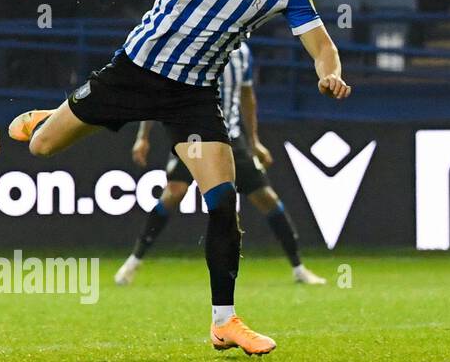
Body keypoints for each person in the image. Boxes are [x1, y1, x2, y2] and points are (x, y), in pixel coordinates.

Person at [5, 0, 352, 356]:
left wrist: (330, 74)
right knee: (41, 146)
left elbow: (323, 48)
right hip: (136, 73)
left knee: (223, 200)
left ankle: (224, 321)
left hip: (192, 97)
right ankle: (56, 115)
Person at [117, 41, 328, 287]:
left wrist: (255, 141)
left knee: (265, 197)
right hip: (192, 133)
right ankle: (134, 261)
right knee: (174, 193)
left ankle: (298, 268)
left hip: (231, 137)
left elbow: (247, 96)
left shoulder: (243, 53)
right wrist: (143, 137)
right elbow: (160, 91)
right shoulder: (192, 45)